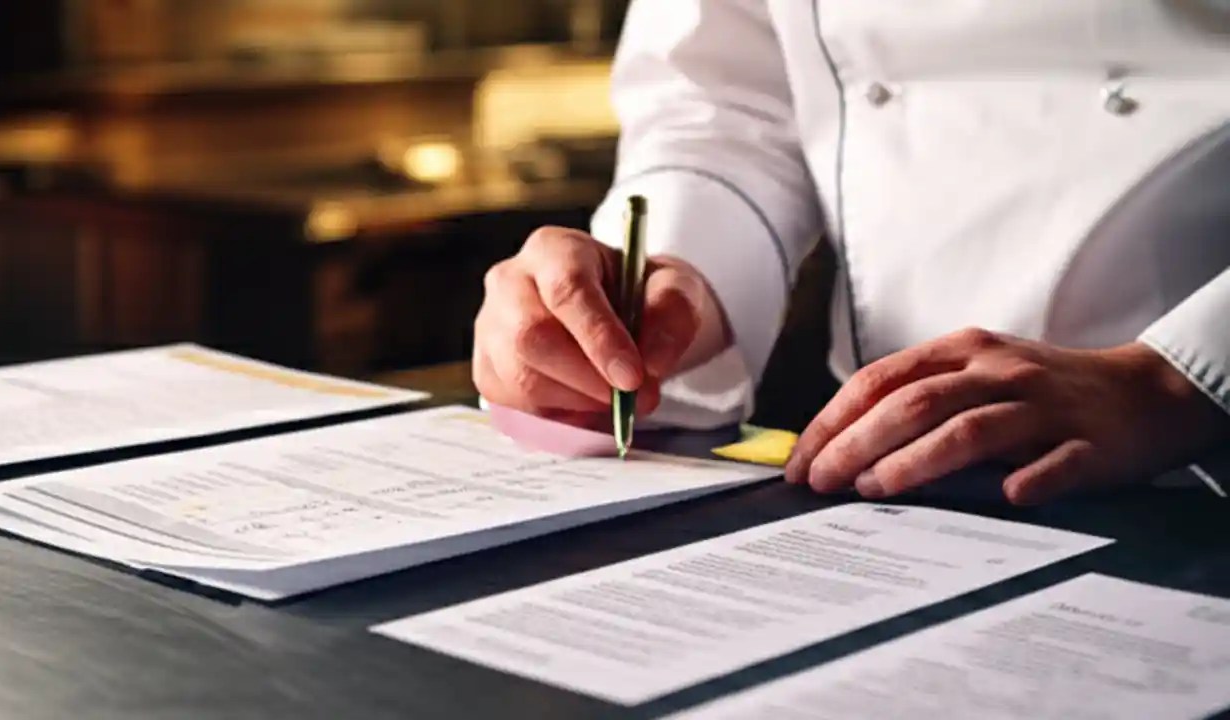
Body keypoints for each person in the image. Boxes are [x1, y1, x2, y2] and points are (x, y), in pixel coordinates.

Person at [474, 0, 1230, 504]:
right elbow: (725, 106)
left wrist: (1183, 379)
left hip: (1194, 475)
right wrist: (664, 291)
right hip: (882, 475)